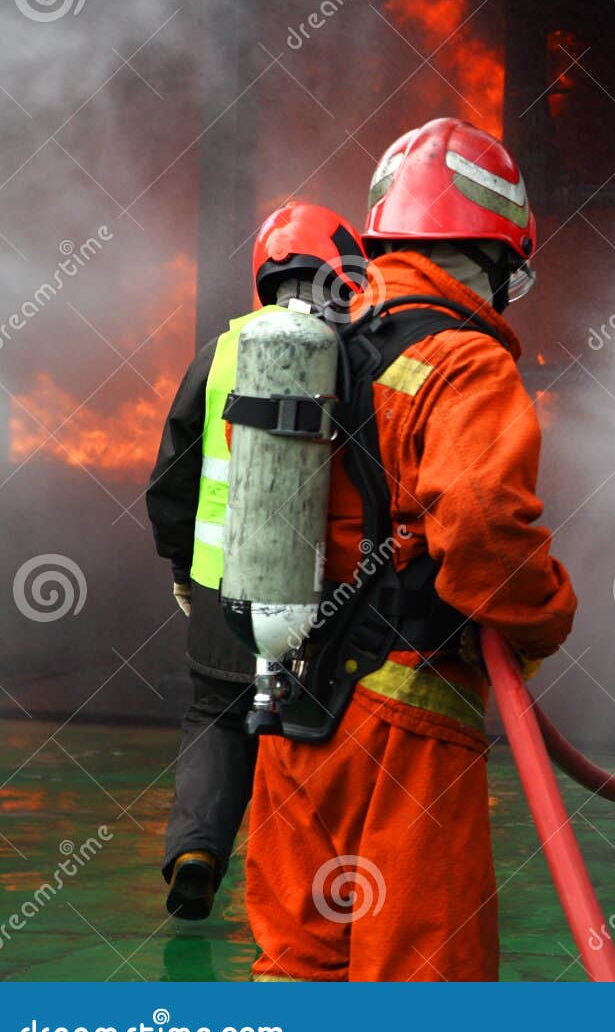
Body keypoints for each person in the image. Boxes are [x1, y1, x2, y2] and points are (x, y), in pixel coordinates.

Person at [245, 118, 576, 982]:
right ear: (500, 256)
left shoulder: (320, 340)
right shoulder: (462, 359)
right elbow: (482, 528)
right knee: (423, 977)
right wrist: (545, 618)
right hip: (404, 721)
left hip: (289, 711)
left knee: (299, 967)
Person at [146, 201, 367, 921]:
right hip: (326, 594)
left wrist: (184, 566)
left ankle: (197, 850)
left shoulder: (217, 354)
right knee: (312, 731)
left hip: (221, 588)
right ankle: (314, 901)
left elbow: (171, 481)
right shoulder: (358, 355)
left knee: (216, 714)